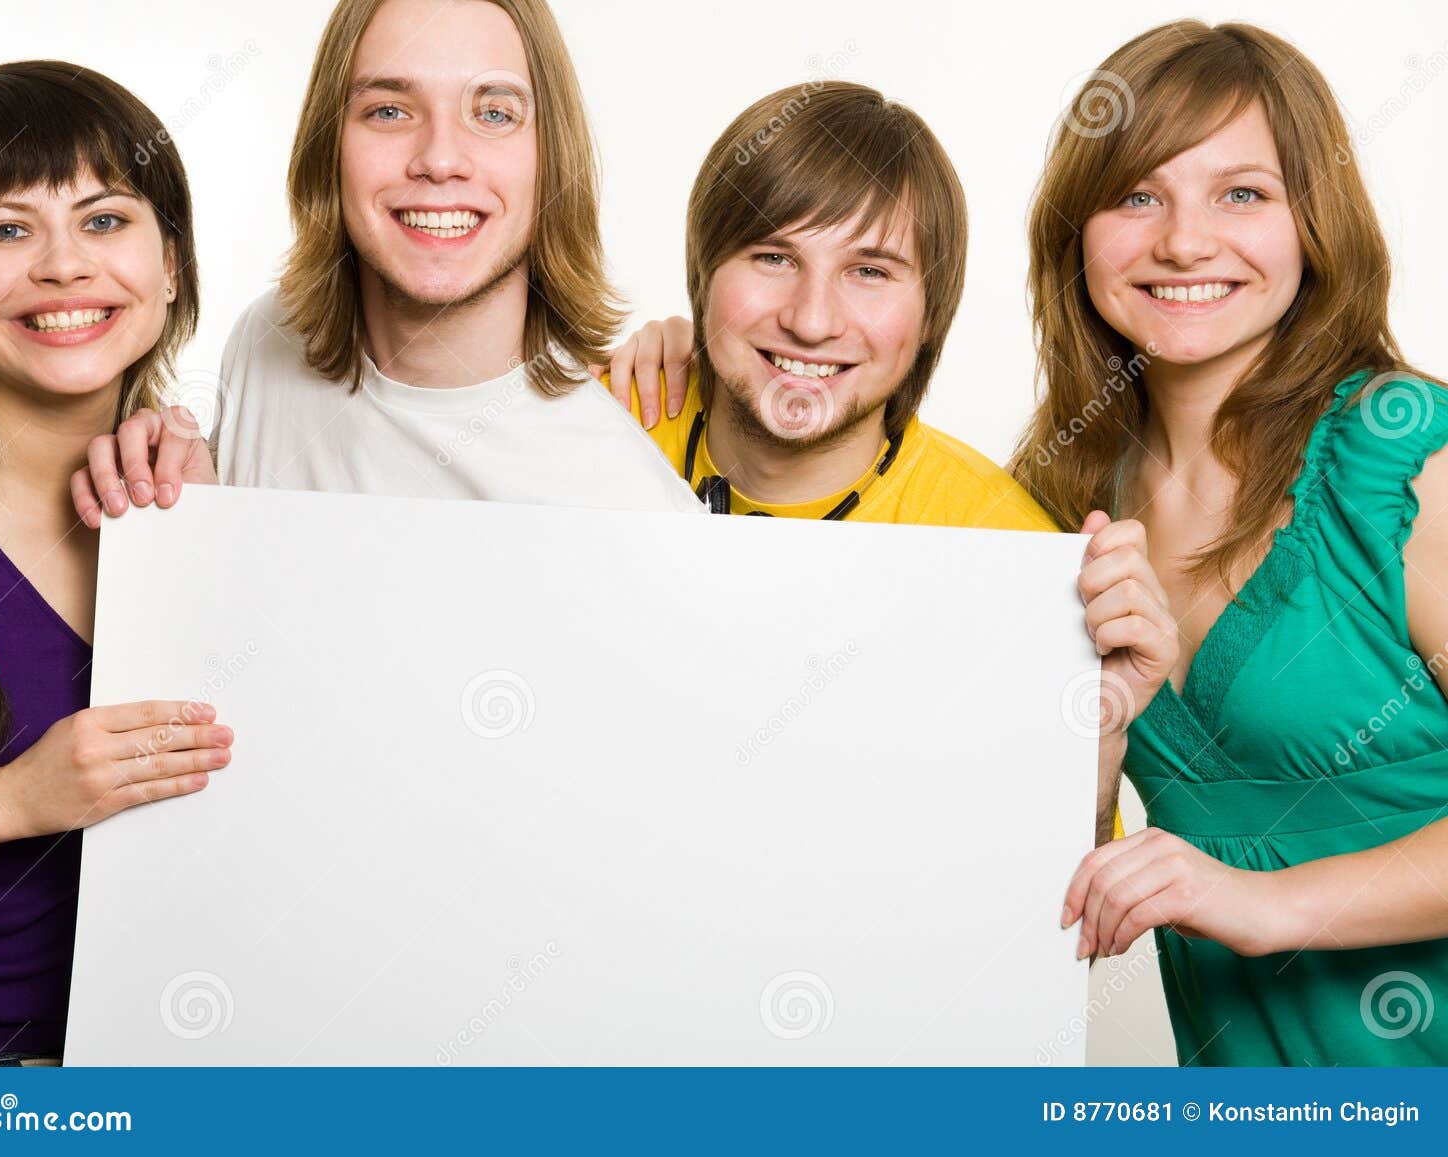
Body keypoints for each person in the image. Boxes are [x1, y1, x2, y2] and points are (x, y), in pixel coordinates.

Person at [600, 82, 1176, 841]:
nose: (810, 319)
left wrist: (1093, 740)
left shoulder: (1008, 547)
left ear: (932, 310)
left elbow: (1050, 925)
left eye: (870, 271)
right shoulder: (596, 442)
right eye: (772, 257)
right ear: (704, 274)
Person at [1036, 21, 1448, 1065]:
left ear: (1313, 222)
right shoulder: (1059, 497)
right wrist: (1090, 757)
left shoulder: (1400, 461)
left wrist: (1262, 903)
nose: (1182, 241)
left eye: (1242, 193)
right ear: (1074, 230)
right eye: (1137, 194)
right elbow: (1032, 897)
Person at [0, 61, 234, 1066]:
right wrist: (11, 798)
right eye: (7, 228)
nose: (65, 266)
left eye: (105, 220)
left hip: (162, 1062)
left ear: (172, 264)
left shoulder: (223, 499)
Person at [71, 0, 701, 522]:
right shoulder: (266, 341)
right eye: (390, 110)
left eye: (493, 112)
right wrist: (196, 526)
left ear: (549, 159)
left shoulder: (630, 503)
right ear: (331, 147)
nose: (440, 157)